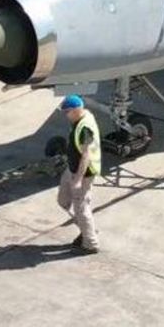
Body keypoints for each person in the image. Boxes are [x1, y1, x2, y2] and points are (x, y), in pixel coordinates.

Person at [56, 95, 102, 254]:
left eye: (67, 112)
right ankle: (87, 229)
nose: (65, 115)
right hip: (72, 169)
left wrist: (78, 179)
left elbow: (86, 155)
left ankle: (91, 243)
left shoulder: (84, 128)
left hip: (83, 174)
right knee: (63, 201)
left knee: (81, 208)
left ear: (75, 110)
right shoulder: (81, 117)